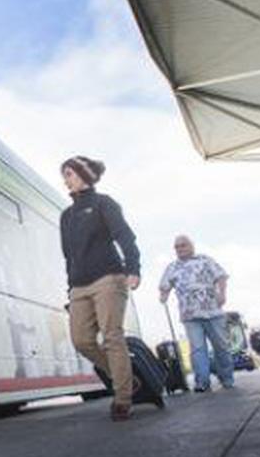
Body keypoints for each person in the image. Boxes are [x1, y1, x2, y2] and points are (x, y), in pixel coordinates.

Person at [59, 156, 141, 422]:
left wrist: (133, 268)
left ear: (84, 175)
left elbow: (125, 236)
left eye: (69, 173)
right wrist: (70, 287)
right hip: (79, 286)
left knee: (112, 336)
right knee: (81, 340)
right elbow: (68, 255)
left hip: (108, 278)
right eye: (65, 175)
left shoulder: (104, 203)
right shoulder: (66, 216)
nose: (65, 179)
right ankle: (125, 377)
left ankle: (123, 398)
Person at [158, 236, 234, 392]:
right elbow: (164, 285)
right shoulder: (172, 267)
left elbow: (221, 276)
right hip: (190, 315)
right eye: (177, 247)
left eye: (183, 245)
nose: (180, 248)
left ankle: (226, 378)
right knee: (198, 349)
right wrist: (163, 295)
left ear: (191, 246)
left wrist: (222, 294)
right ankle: (202, 382)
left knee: (221, 346)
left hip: (212, 311)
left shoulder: (204, 259)